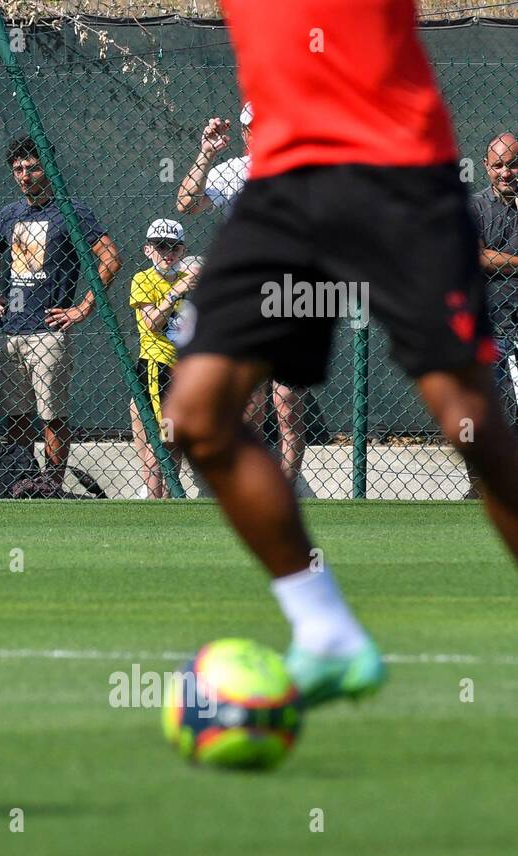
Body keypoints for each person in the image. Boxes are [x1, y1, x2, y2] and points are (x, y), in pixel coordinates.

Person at [165, 0, 518, 709]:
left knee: (468, 421)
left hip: (399, 169)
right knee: (197, 414)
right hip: (284, 188)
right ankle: (324, 631)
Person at [176, 104, 307, 485]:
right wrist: (206, 153)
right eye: (255, 128)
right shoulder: (232, 171)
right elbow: (186, 205)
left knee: (288, 405)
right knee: (250, 404)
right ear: (247, 134)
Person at [0, 135, 119, 495]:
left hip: (48, 331)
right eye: (18, 169)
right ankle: (19, 480)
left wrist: (83, 307)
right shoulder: (8, 215)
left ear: (49, 168)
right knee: (15, 417)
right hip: (10, 330)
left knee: (52, 418)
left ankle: (51, 487)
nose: (25, 175)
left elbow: (111, 258)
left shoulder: (71, 212)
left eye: (33, 167)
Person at [128, 219, 197, 499]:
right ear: (148, 249)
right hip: (159, 366)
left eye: (174, 247)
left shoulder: (193, 277)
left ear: (183, 250)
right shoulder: (143, 280)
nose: (167, 252)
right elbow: (152, 322)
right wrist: (177, 291)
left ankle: (165, 496)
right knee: (160, 438)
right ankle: (157, 498)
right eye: (160, 246)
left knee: (171, 438)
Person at [469, 132, 518, 428]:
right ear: (486, 166)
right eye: (498, 165)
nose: (505, 172)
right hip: (491, 326)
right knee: (491, 419)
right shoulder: (473, 208)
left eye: (513, 165)